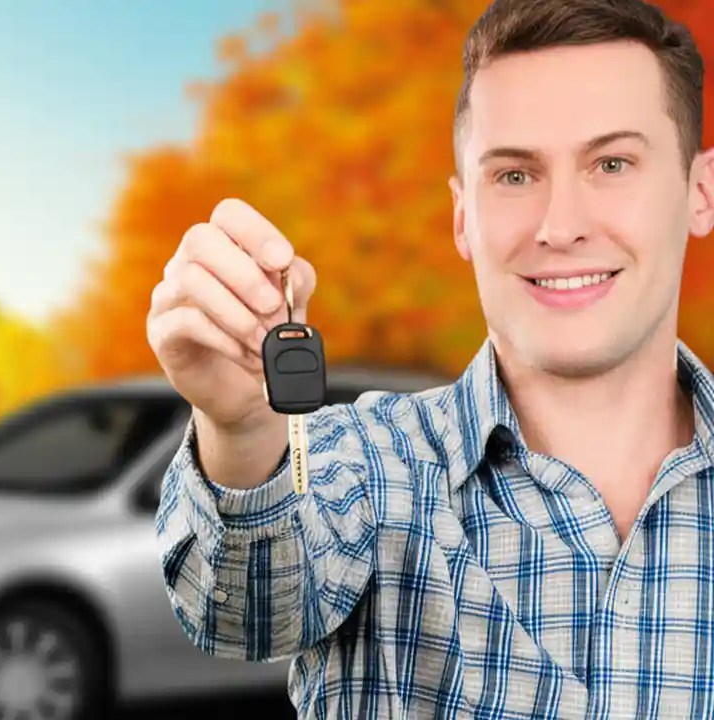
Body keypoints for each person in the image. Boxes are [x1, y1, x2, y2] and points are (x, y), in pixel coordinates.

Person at [146, 0, 714, 716]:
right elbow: (246, 612)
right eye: (514, 175)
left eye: (612, 163)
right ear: (461, 217)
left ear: (699, 194)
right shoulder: (366, 466)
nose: (561, 226)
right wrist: (241, 431)